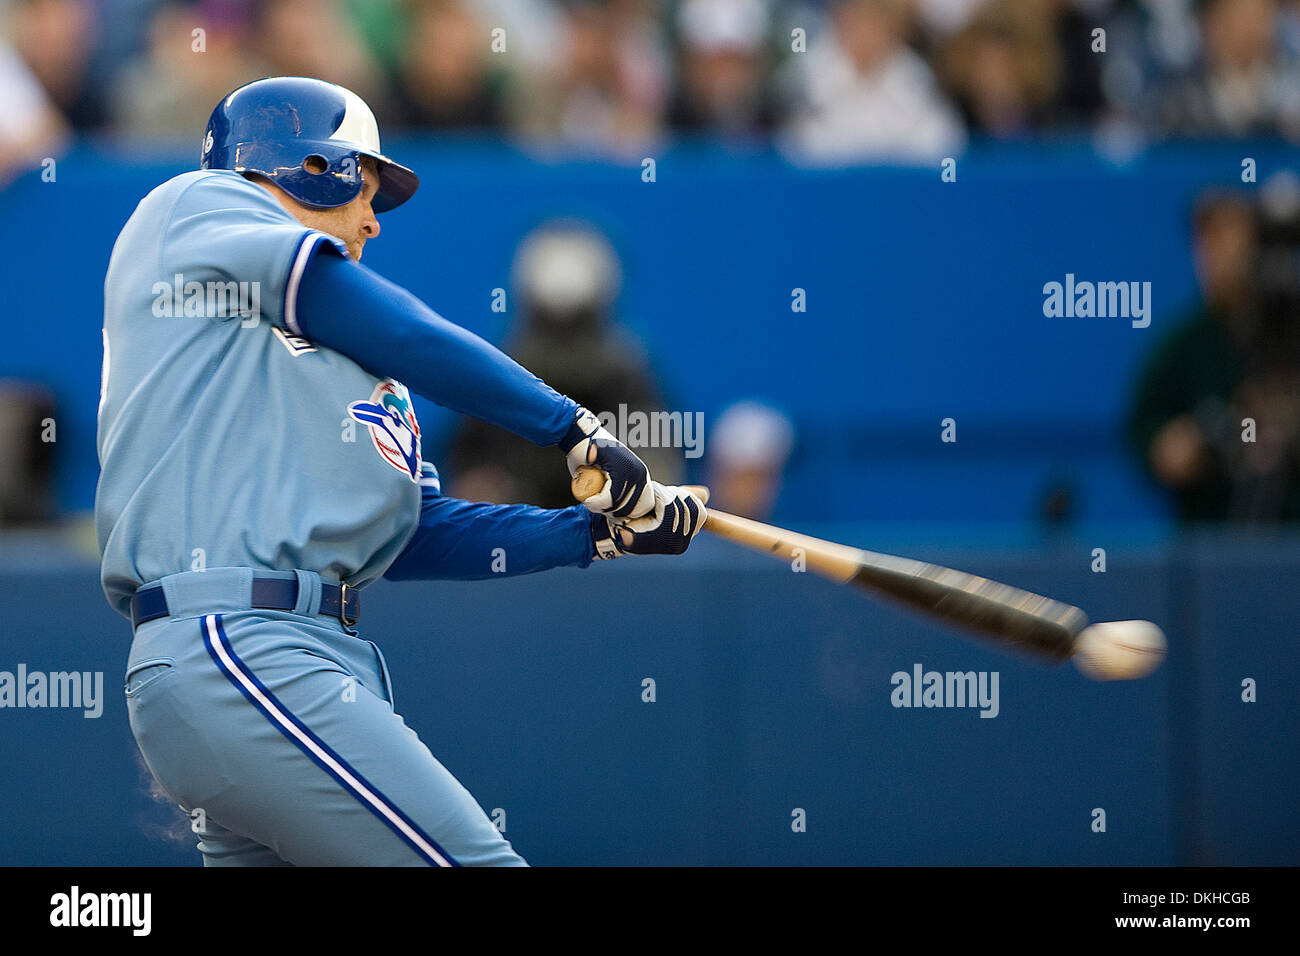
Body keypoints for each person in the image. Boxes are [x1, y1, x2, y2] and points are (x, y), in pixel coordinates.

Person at [95, 76, 706, 866]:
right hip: (240, 645)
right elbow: (391, 323)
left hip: (294, 662)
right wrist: (572, 426)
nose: (373, 222)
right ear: (310, 166)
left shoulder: (344, 367)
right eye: (364, 189)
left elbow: (416, 535)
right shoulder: (195, 206)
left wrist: (595, 535)